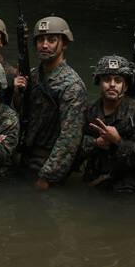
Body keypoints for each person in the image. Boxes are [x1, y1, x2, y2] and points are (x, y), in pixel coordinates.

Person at [14, 16, 86, 189]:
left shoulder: (72, 85)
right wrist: (17, 94)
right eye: (40, 40)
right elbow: (23, 113)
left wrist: (48, 176)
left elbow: (70, 138)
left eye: (52, 40)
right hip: (26, 156)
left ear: (64, 44)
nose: (44, 45)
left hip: (48, 162)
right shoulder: (33, 75)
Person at [77, 55, 135, 193]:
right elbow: (74, 145)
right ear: (99, 83)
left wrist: (118, 141)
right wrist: (96, 143)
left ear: (126, 86)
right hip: (94, 181)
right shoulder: (90, 111)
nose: (112, 84)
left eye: (118, 81)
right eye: (107, 80)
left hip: (127, 188)